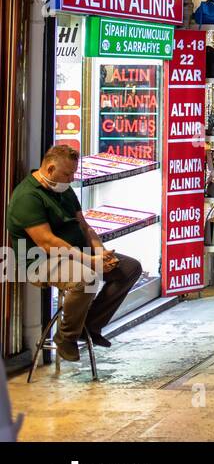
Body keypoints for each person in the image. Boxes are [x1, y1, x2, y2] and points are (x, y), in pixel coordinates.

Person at [5, 145, 144, 361]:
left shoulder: (63, 189)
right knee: (85, 278)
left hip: (78, 253)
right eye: (67, 174)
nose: (71, 179)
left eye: (73, 173)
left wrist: (101, 252)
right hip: (40, 262)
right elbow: (47, 242)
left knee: (129, 268)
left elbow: (84, 225)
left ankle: (90, 325)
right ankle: (66, 336)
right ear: (50, 169)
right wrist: (91, 262)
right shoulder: (27, 197)